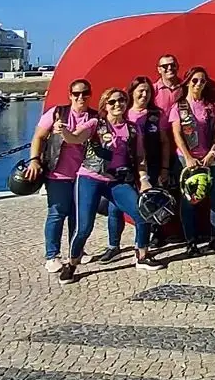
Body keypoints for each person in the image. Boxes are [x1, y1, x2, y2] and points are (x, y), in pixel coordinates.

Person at [57, 86, 165, 283]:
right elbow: (75, 138)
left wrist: (144, 179)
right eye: (112, 102)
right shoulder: (95, 124)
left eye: (121, 100)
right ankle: (71, 264)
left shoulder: (132, 128)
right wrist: (64, 131)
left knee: (143, 214)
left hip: (117, 181)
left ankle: (142, 256)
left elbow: (140, 157)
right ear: (105, 105)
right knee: (84, 228)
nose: (118, 105)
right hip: (90, 177)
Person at [24, 79, 98, 272]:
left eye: (85, 93)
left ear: (90, 94)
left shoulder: (94, 117)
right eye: (76, 93)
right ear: (70, 95)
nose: (80, 97)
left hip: (84, 175)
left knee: (78, 215)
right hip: (58, 173)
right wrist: (34, 160)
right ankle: (52, 255)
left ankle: (77, 251)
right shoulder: (58, 112)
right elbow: (39, 136)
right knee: (57, 213)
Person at [102, 75, 171, 260]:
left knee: (147, 206)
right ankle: (113, 245)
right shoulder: (124, 114)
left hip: (151, 166)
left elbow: (165, 142)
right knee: (115, 208)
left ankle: (143, 246)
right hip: (124, 168)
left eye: (148, 91)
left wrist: (164, 168)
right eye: (140, 90)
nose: (144, 94)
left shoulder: (157, 115)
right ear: (131, 93)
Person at [169, 66, 215, 256]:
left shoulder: (211, 106)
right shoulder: (178, 107)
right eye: (195, 80)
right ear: (188, 82)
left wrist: (212, 152)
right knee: (189, 201)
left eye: (202, 81)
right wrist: (188, 157)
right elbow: (176, 134)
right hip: (187, 160)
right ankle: (191, 242)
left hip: (209, 159)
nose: (198, 84)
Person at [152, 52, 184, 184]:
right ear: (159, 69)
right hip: (158, 144)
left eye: (172, 65)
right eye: (165, 66)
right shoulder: (153, 90)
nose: (169, 68)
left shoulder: (186, 88)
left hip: (183, 144)